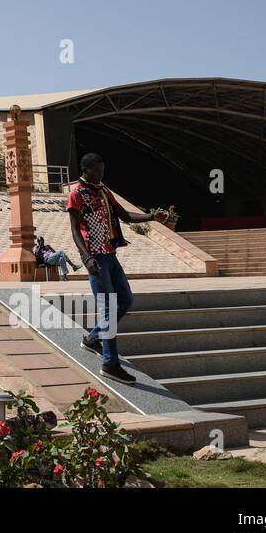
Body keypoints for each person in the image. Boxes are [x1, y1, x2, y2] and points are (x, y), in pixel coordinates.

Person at [67, 152, 168, 384]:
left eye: (103, 170)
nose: (102, 174)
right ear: (86, 170)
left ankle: (93, 339)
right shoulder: (76, 194)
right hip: (95, 258)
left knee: (126, 300)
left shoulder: (103, 190)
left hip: (110, 255)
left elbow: (125, 216)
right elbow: (74, 229)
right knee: (109, 308)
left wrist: (152, 216)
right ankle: (110, 363)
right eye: (98, 170)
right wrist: (86, 257)